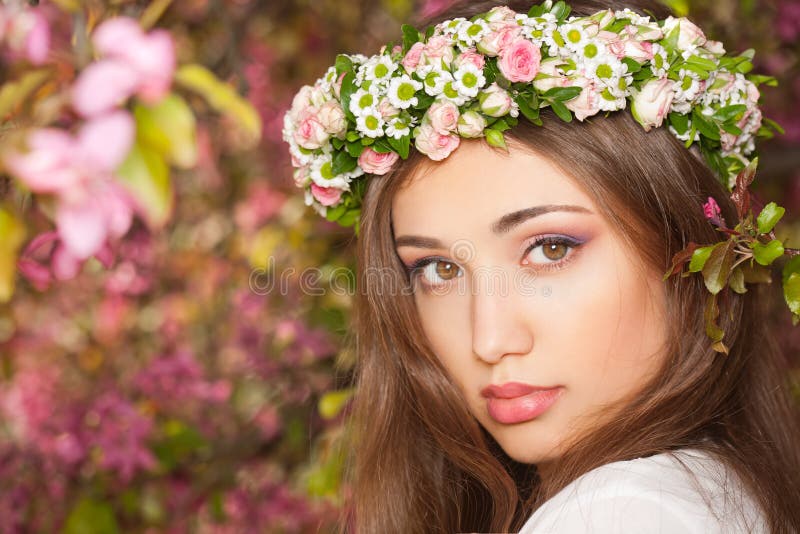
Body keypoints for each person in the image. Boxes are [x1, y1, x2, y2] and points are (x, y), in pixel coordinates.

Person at [282, 0, 800, 532]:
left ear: (691, 248)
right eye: (437, 269)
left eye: (551, 248)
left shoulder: (619, 514)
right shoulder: (710, 495)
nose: (489, 340)